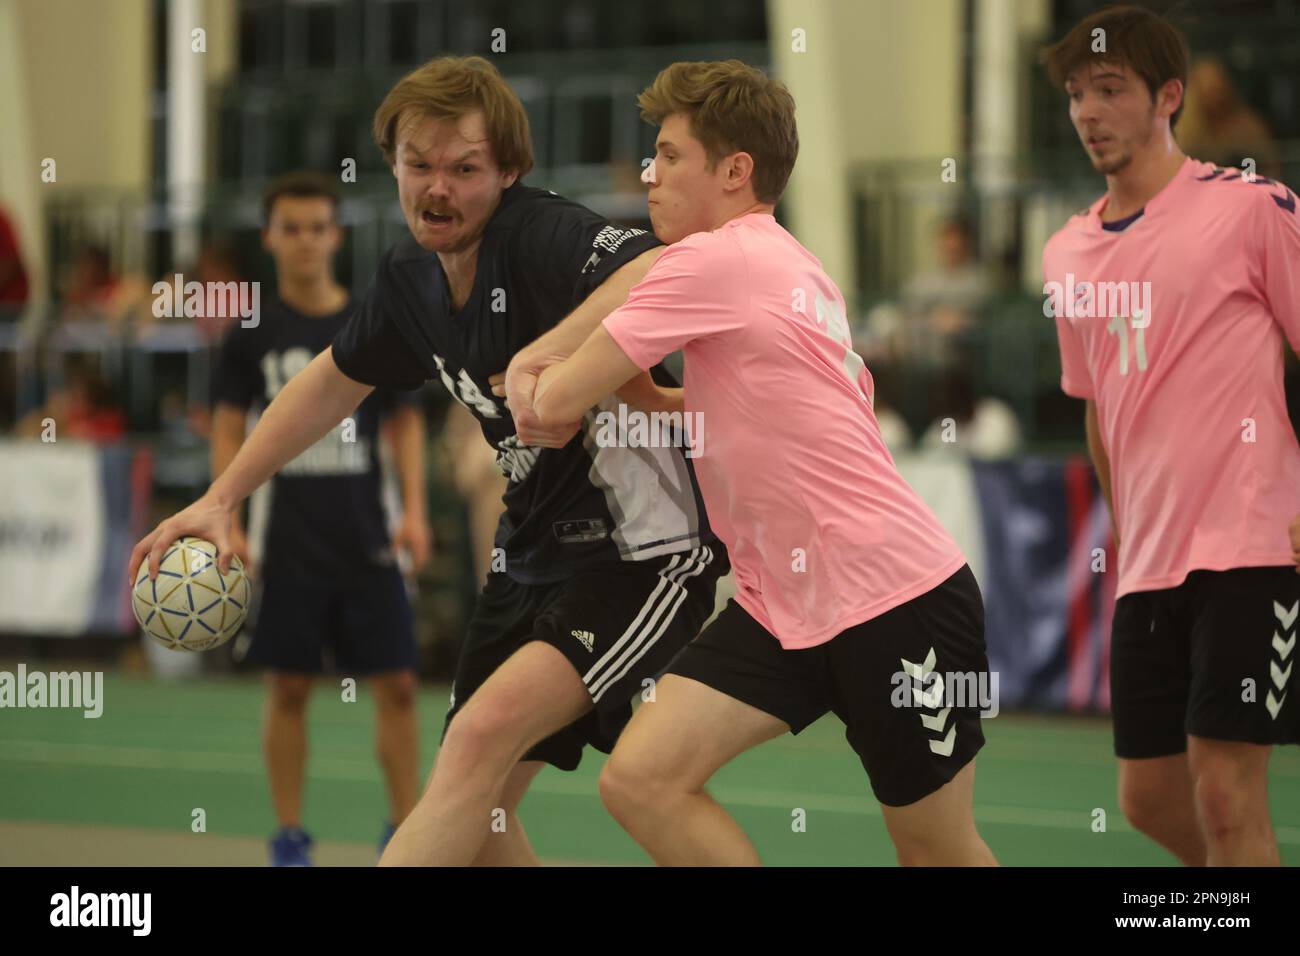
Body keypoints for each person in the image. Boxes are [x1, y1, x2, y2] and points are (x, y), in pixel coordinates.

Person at [130, 55, 726, 867]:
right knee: (473, 812)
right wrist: (223, 497)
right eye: (418, 166)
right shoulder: (408, 280)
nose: (436, 189)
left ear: (509, 171)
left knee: (476, 750)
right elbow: (328, 386)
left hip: (640, 553)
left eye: (464, 169)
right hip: (529, 557)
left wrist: (544, 354)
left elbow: (662, 266)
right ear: (392, 165)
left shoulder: (540, 235)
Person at [521, 59, 996, 866]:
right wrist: (640, 394)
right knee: (641, 778)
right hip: (783, 604)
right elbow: (751, 407)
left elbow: (553, 405)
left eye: (671, 155)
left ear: (735, 171)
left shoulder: (710, 261)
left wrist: (531, 371)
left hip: (893, 597)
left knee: (935, 852)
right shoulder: (796, 264)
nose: (651, 173)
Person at [1040, 5, 1300, 865]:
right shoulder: (1065, 255)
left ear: (1169, 98)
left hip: (1252, 546)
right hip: (1149, 564)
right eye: (1078, 93)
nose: (1088, 111)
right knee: (1149, 798)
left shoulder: (1251, 209)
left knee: (1227, 795)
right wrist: (1129, 524)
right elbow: (1095, 405)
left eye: (1110, 89)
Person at [211, 171, 431, 865]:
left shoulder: (373, 316)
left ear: (336, 236)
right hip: (287, 538)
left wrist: (417, 512)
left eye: (317, 228)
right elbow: (225, 426)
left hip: (368, 533)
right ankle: (289, 835)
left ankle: (405, 831)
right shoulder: (251, 334)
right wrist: (231, 516)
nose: (305, 241)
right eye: (291, 228)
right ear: (270, 237)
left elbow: (404, 424)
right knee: (290, 685)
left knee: (397, 682)